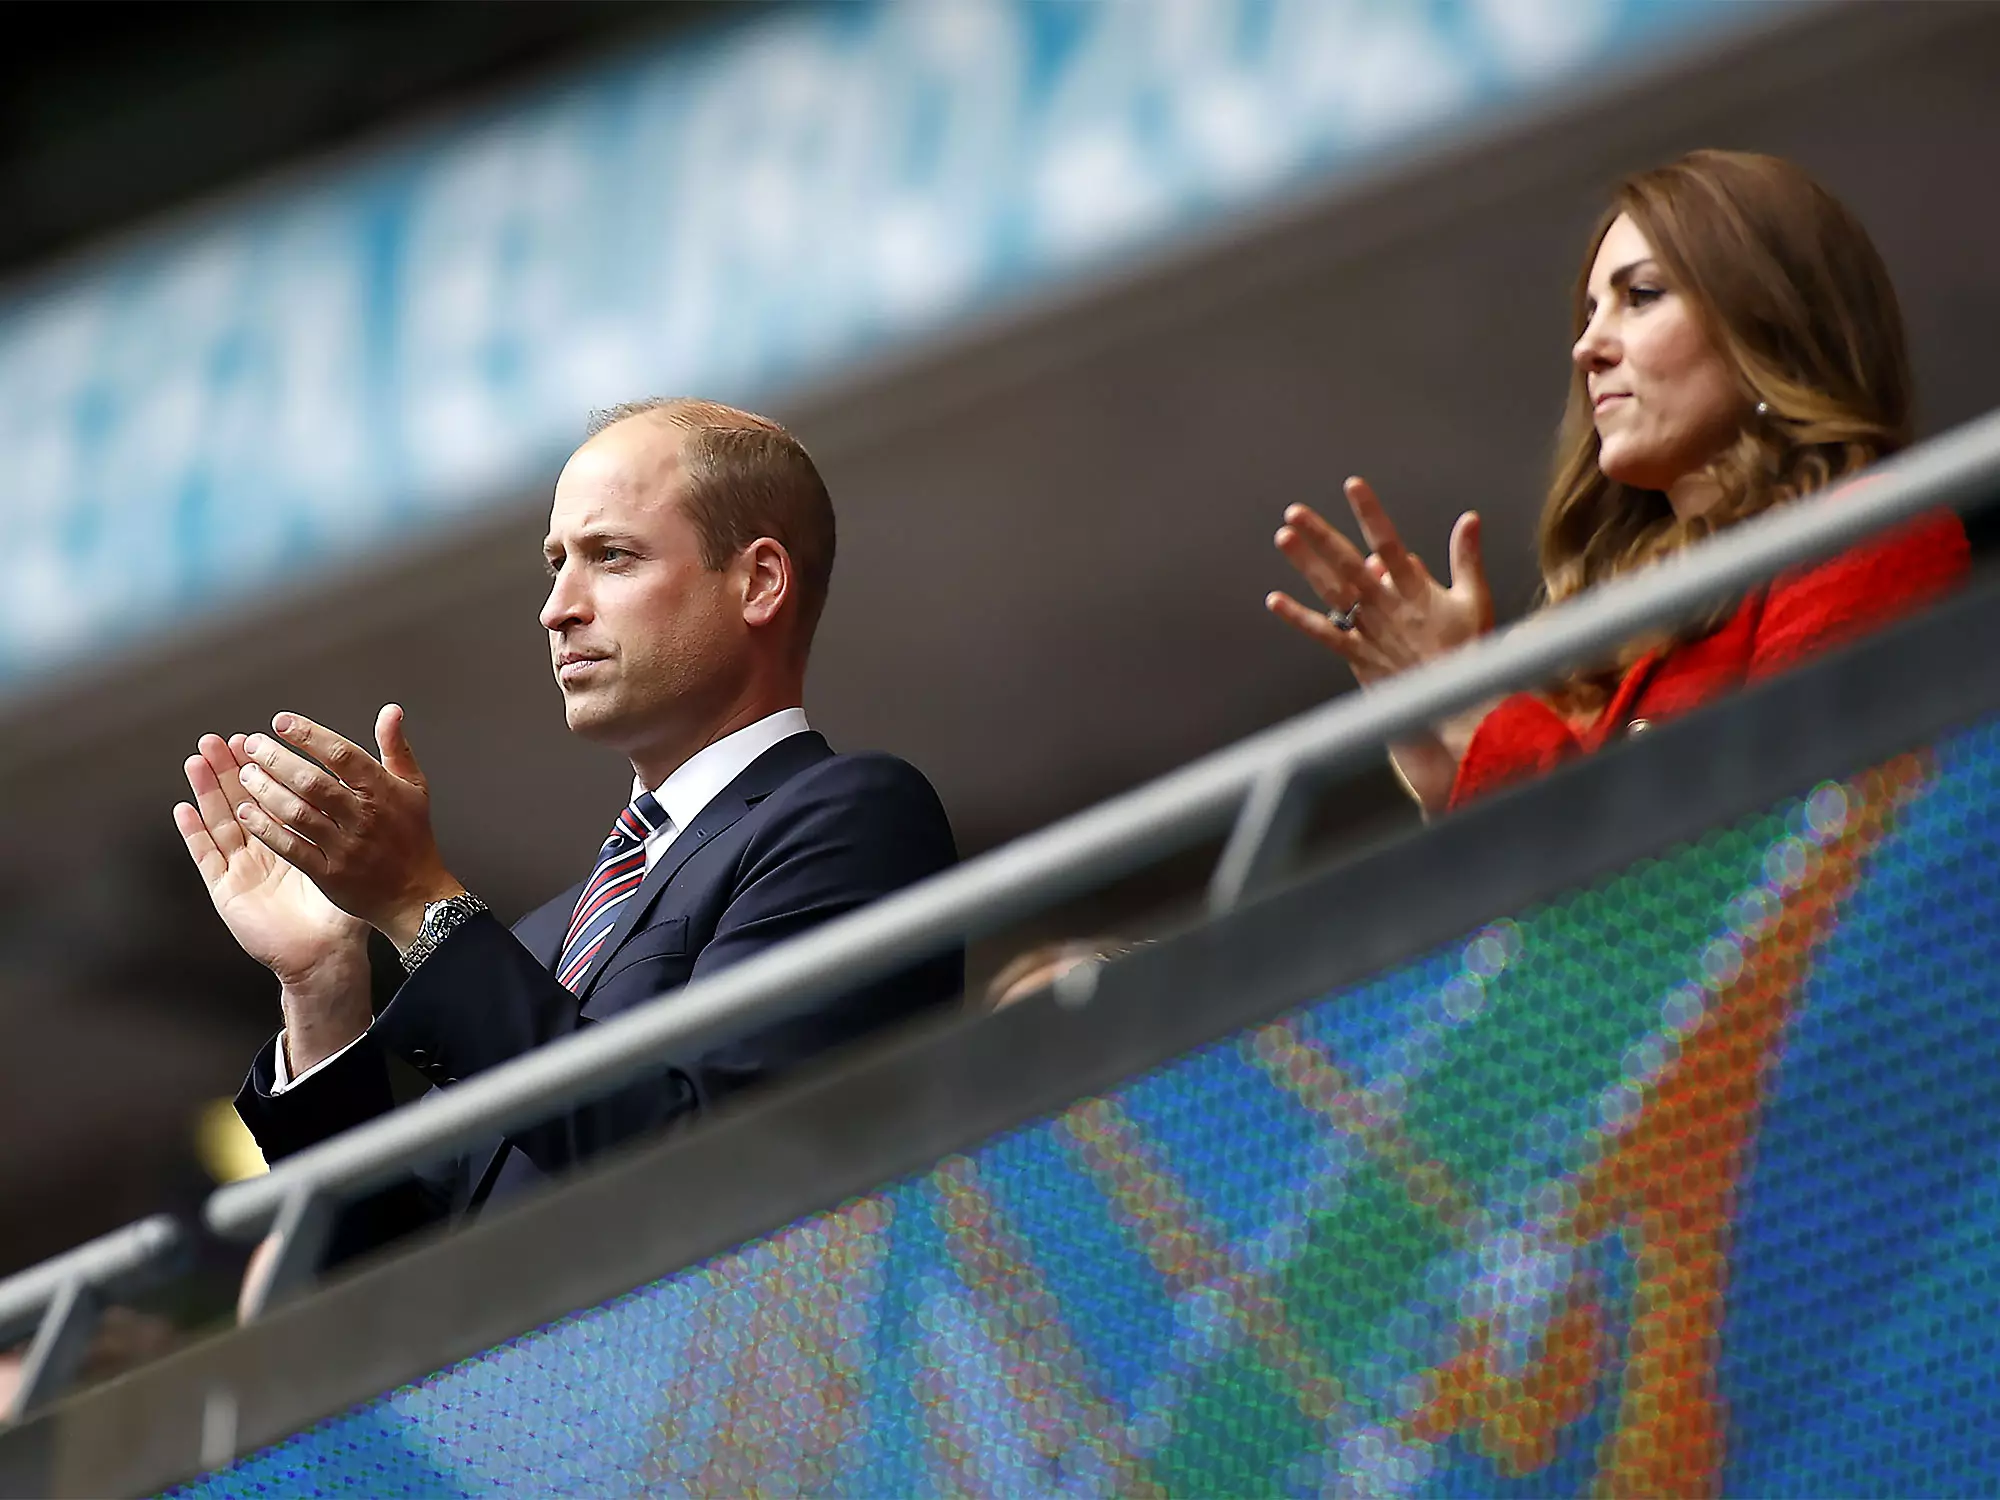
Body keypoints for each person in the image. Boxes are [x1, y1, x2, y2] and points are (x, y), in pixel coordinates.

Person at [174, 398, 962, 1263]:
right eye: (554, 565)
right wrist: (324, 992)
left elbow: (721, 1170)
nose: (557, 609)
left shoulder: (849, 815)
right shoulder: (542, 939)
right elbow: (389, 1282)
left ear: (759, 583)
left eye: (610, 556)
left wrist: (417, 905)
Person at [1265, 150, 1969, 812]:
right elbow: (1541, 933)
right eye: (1591, 312)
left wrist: (1476, 718)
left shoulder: (1872, 531)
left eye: (1641, 295)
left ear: (1773, 328)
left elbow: (1780, 864)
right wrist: (1444, 766)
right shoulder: (1605, 640)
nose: (1587, 347)